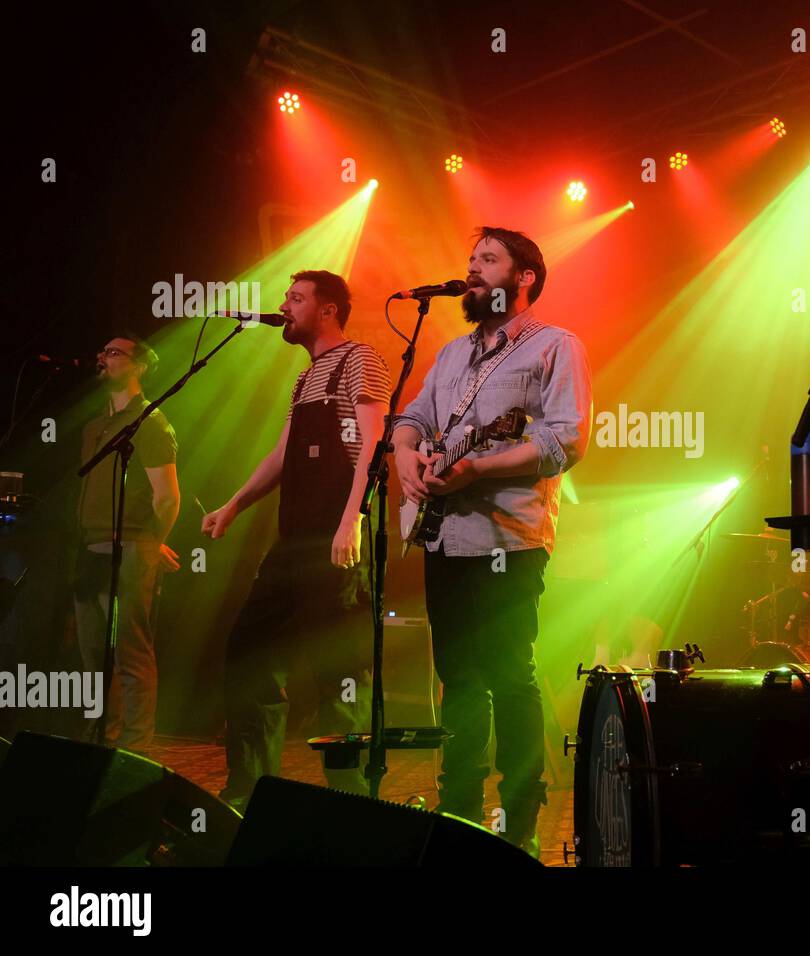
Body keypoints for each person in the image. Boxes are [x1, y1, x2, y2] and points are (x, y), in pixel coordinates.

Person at [393, 227, 592, 858]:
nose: (472, 270)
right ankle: (457, 817)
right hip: (445, 538)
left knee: (510, 676)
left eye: (487, 259)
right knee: (458, 677)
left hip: (508, 537)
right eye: (471, 260)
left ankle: (520, 822)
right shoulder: (451, 352)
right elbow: (413, 419)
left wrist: (480, 469)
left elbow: (567, 441)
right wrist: (403, 455)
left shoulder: (555, 347)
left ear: (524, 276)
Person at [202, 270, 391, 810]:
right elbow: (284, 453)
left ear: (328, 309)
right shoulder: (306, 379)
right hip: (292, 543)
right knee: (248, 653)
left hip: (337, 540)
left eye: (295, 297)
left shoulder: (360, 360)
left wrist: (351, 518)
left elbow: (373, 445)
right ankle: (249, 789)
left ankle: (351, 801)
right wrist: (235, 504)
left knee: (338, 673)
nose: (283, 306)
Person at [74, 332, 180, 750]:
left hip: (130, 549)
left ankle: (135, 747)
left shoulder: (150, 422)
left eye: (113, 351)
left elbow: (167, 497)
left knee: (130, 654)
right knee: (91, 658)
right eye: (102, 349)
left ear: (138, 366)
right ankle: (99, 738)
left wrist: (151, 543)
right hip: (88, 547)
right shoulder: (95, 426)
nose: (102, 357)